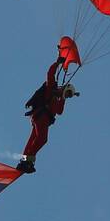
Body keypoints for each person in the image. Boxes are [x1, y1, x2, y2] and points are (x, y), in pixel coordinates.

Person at [16, 42, 80, 173]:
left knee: (34, 138)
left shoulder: (59, 99)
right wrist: (57, 63)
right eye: (67, 93)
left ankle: (24, 160)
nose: (67, 95)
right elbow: (50, 74)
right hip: (41, 116)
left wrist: (63, 98)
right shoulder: (51, 88)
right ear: (64, 88)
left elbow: (59, 112)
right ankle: (28, 159)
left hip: (41, 118)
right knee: (42, 139)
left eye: (69, 95)